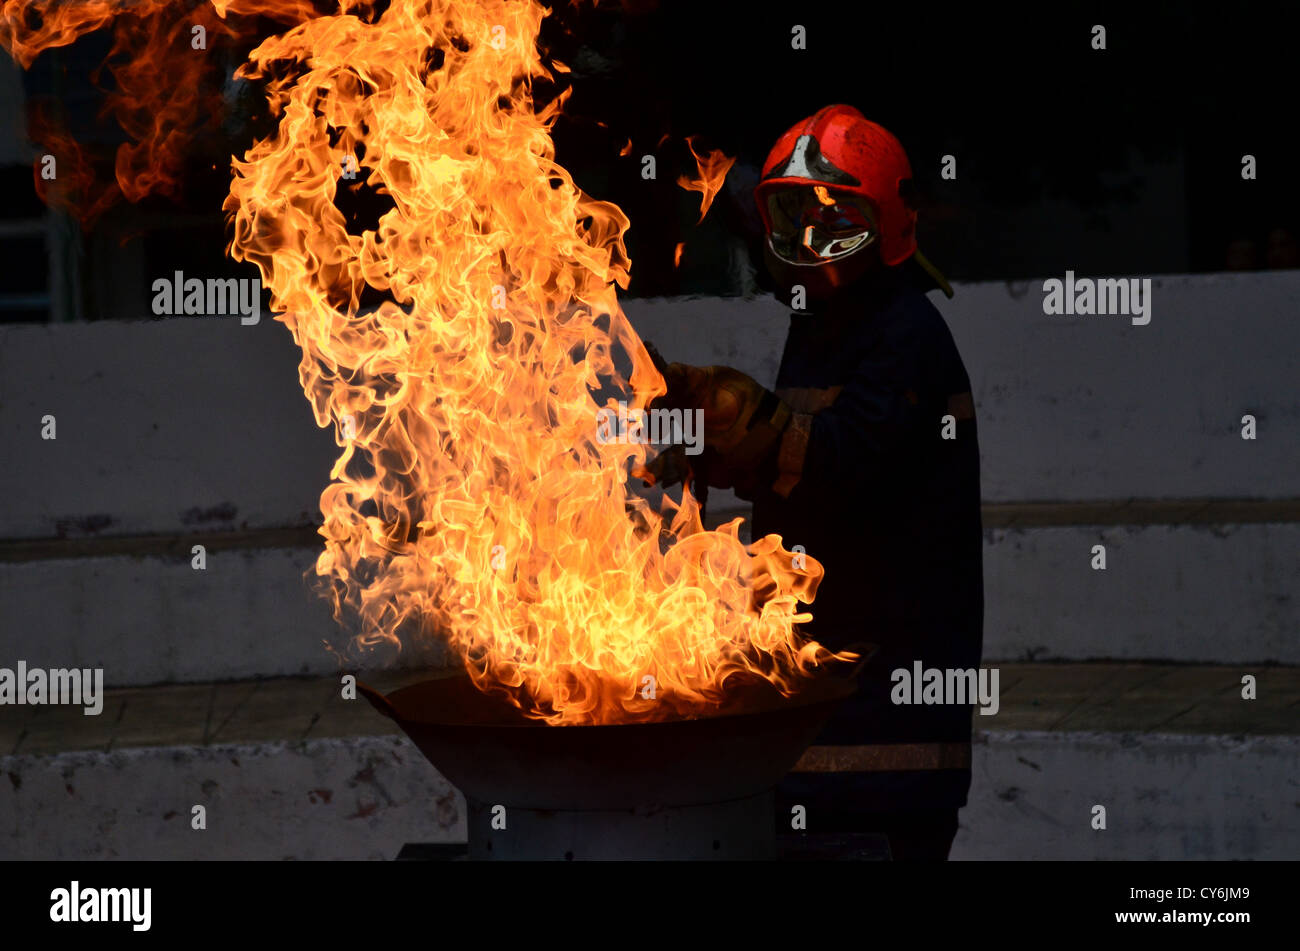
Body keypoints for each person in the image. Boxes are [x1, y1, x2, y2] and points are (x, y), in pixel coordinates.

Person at [649, 104, 983, 860]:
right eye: (792, 213)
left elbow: (840, 462)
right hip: (812, 723)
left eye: (834, 218)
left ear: (888, 222)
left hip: (888, 742)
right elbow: (750, 214)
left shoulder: (905, 333)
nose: (810, 239)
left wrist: (746, 428)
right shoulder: (824, 321)